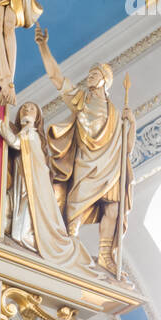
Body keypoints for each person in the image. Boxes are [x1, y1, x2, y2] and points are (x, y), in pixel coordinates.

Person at [33, 26, 135, 277]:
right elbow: (57, 78)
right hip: (85, 164)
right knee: (74, 209)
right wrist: (43, 47)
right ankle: (67, 248)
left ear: (105, 80)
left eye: (94, 74)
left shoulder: (116, 112)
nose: (89, 77)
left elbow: (126, 149)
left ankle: (104, 256)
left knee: (112, 206)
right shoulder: (80, 99)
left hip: (110, 165)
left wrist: (131, 123)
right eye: (89, 74)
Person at [0, 101, 96, 275]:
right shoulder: (27, 132)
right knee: (2, 218)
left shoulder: (31, 133)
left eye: (32, 108)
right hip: (21, 189)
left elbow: (15, 142)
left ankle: (45, 247)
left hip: (31, 192)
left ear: (37, 117)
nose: (26, 109)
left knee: (22, 234)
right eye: (24, 108)